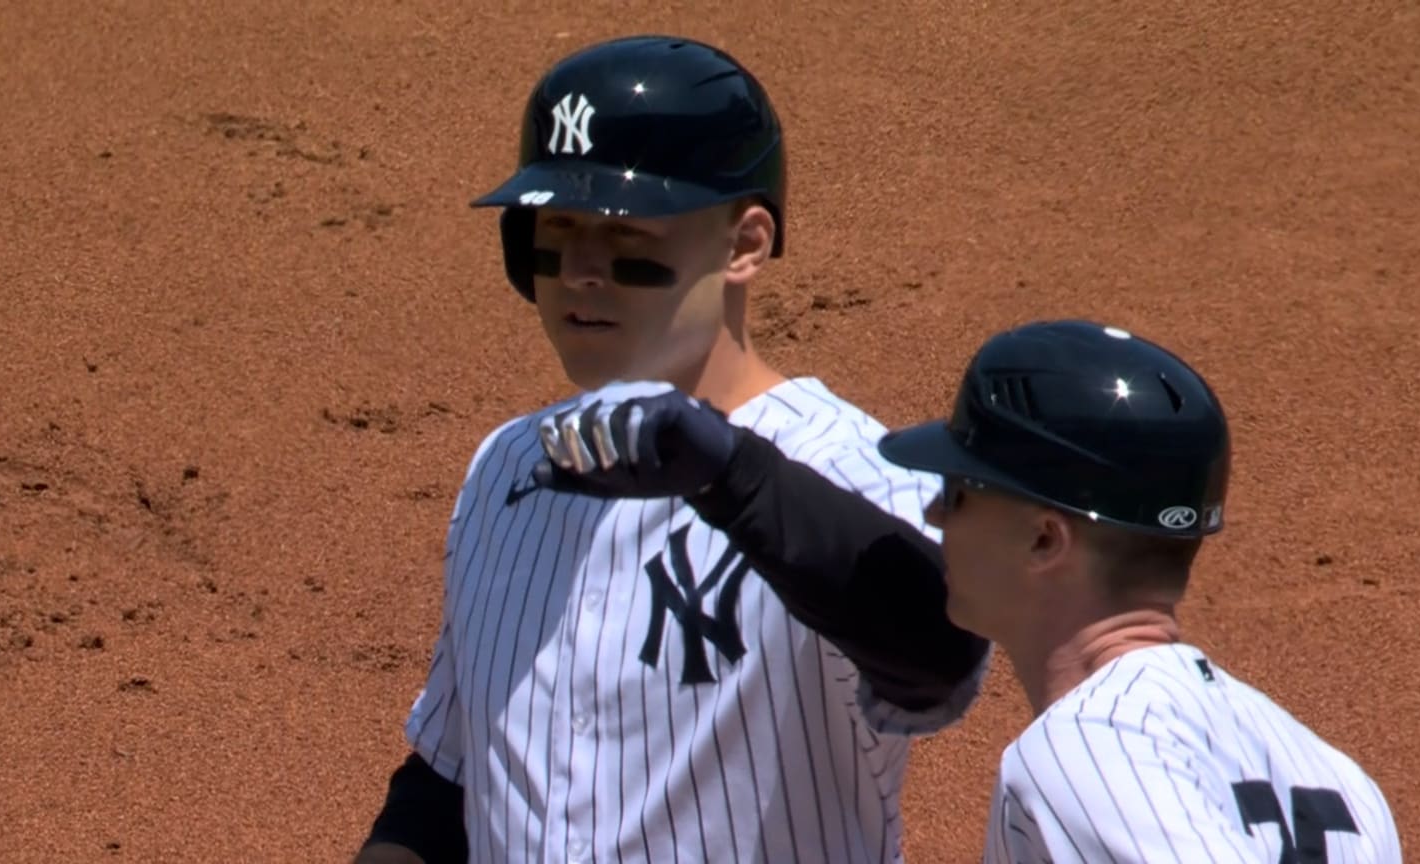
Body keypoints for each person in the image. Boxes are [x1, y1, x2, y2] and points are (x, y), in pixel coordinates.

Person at [354, 34, 991, 864]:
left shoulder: (850, 465)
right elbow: (449, 779)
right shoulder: (507, 468)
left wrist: (734, 478)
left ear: (744, 243)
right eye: (559, 225)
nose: (581, 270)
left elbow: (938, 659)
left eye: (623, 232)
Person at [871, 318, 1403, 862]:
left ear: (1044, 539)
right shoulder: (1341, 783)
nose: (935, 513)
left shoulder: (1086, 747)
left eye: (959, 492)